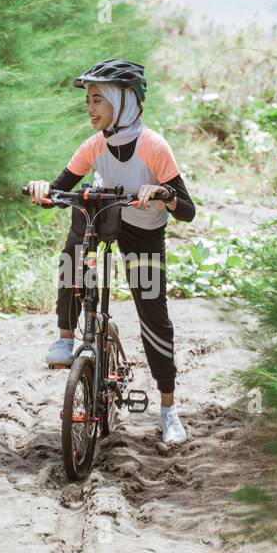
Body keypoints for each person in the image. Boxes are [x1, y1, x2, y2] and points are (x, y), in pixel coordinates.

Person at [25, 58, 196, 445]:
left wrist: (164, 193)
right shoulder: (93, 146)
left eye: (98, 100)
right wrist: (42, 190)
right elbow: (58, 189)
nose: (90, 109)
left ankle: (168, 409)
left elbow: (187, 210)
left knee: (153, 313)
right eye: (88, 101)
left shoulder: (153, 146)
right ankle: (67, 336)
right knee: (74, 247)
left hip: (144, 233)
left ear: (124, 101)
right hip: (106, 216)